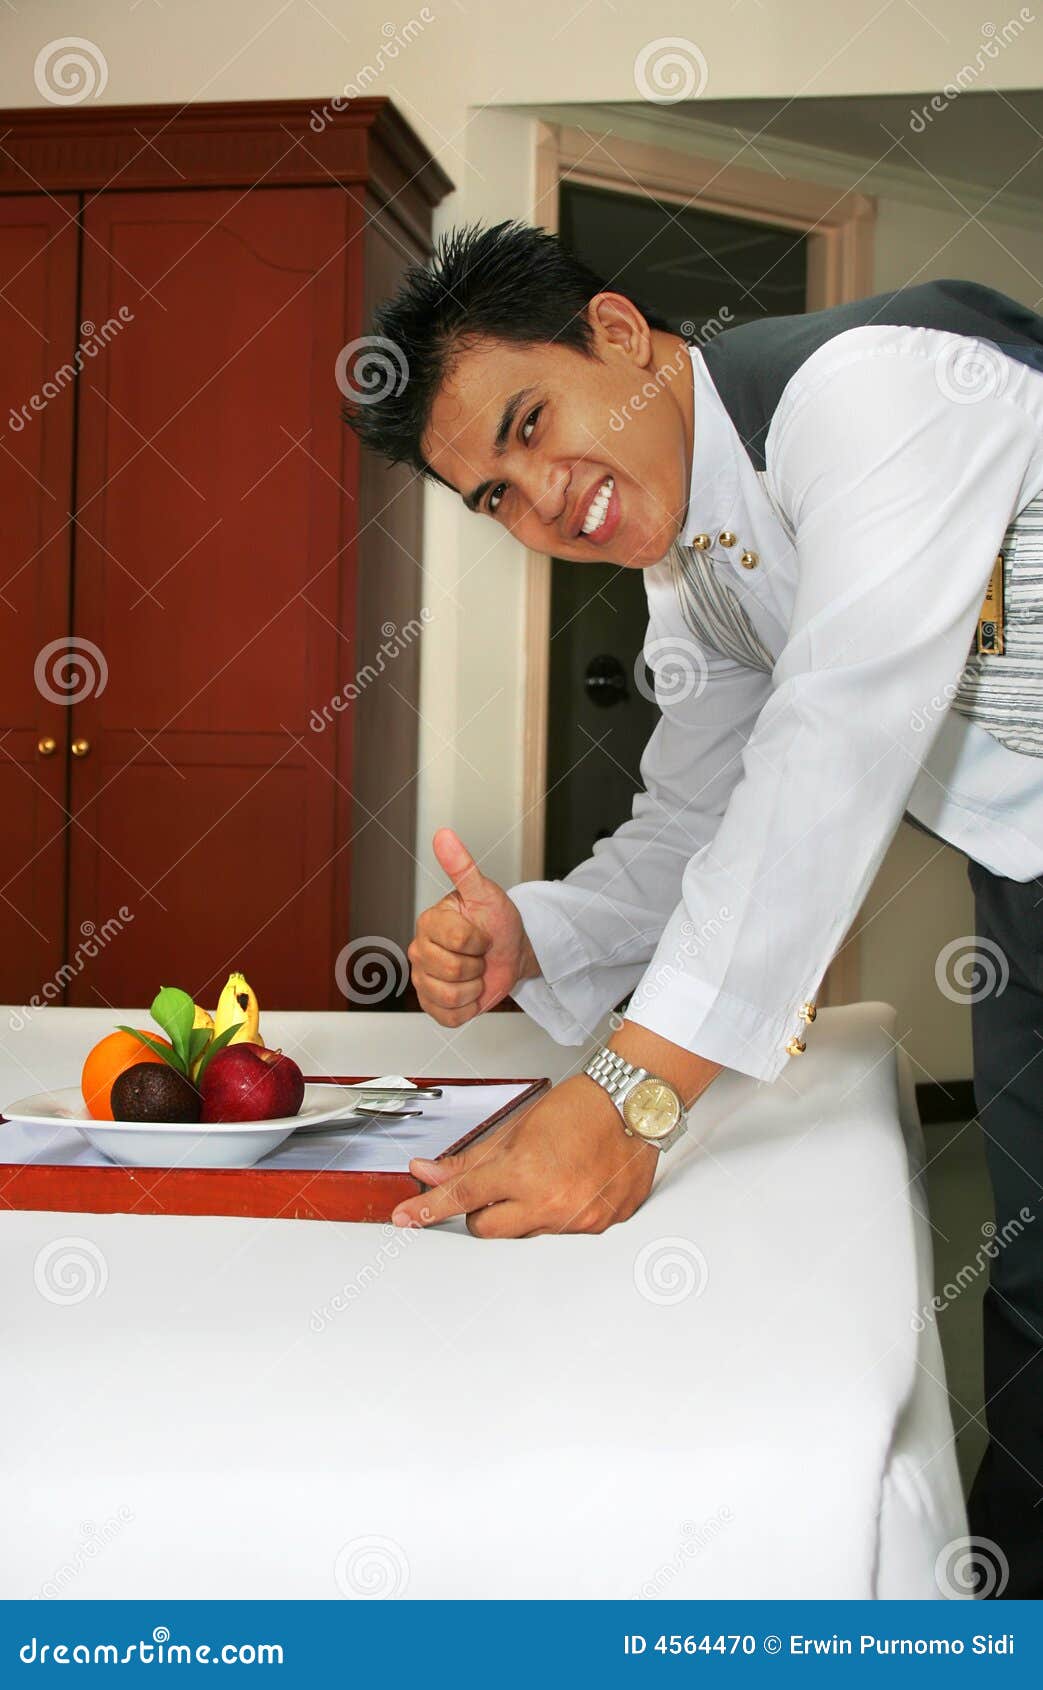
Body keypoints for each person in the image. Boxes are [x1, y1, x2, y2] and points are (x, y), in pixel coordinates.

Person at [343, 221, 1043, 1596]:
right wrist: (534, 934)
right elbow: (696, 816)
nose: (545, 499)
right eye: (496, 495)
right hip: (1025, 871)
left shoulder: (872, 390)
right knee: (1031, 1282)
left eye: (533, 425)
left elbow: (830, 751)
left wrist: (632, 1098)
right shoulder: (692, 574)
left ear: (617, 333)